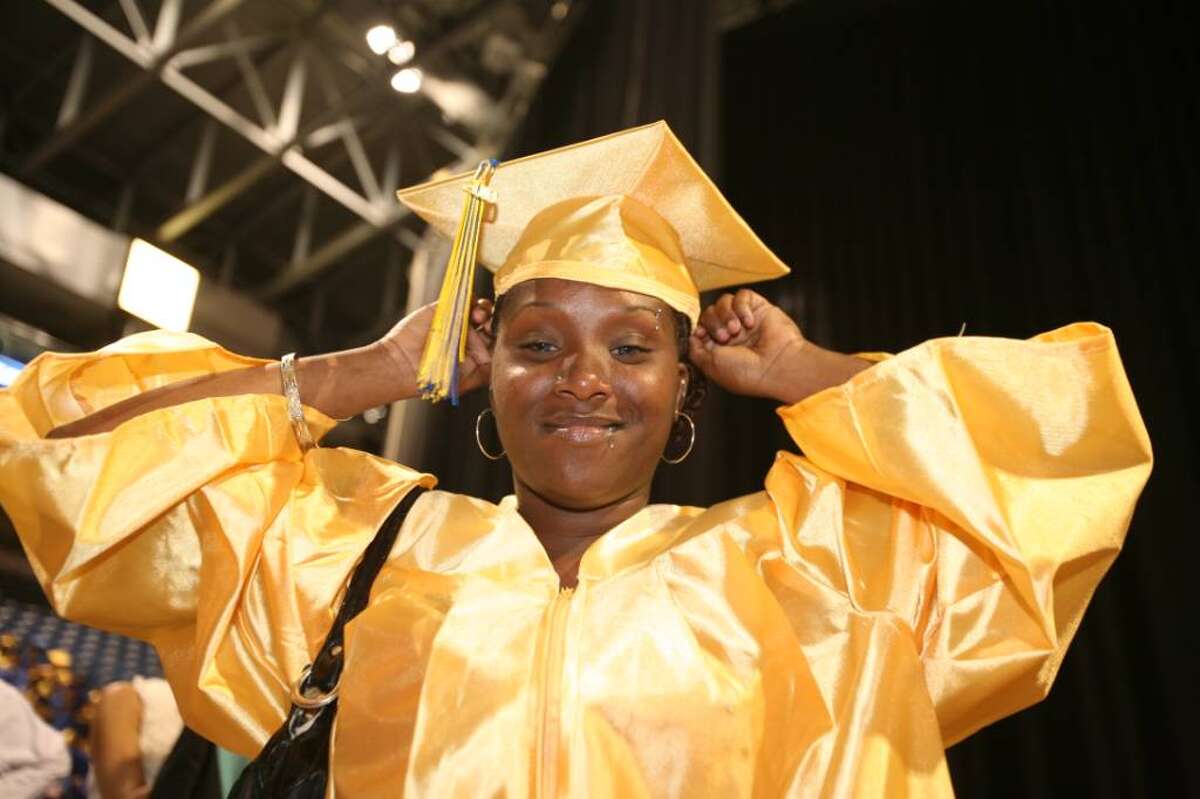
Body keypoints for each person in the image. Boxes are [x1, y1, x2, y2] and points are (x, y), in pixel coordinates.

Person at [0, 122, 1151, 797]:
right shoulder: (352, 547)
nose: (585, 379)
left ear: (687, 381)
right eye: (539, 342)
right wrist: (359, 374)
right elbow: (60, 449)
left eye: (633, 347)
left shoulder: (807, 576)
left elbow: (1043, 448)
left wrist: (805, 370)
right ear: (485, 368)